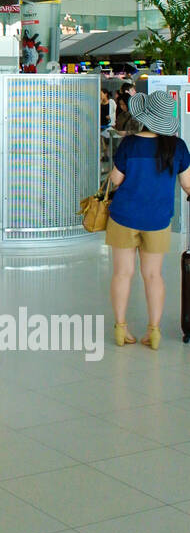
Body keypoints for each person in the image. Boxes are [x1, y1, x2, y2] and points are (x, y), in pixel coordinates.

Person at [106, 90, 190, 349]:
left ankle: (121, 329)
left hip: (124, 217)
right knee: (153, 275)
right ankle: (153, 331)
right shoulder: (177, 147)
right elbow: (188, 185)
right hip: (157, 219)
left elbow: (114, 180)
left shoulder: (130, 144)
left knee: (123, 273)